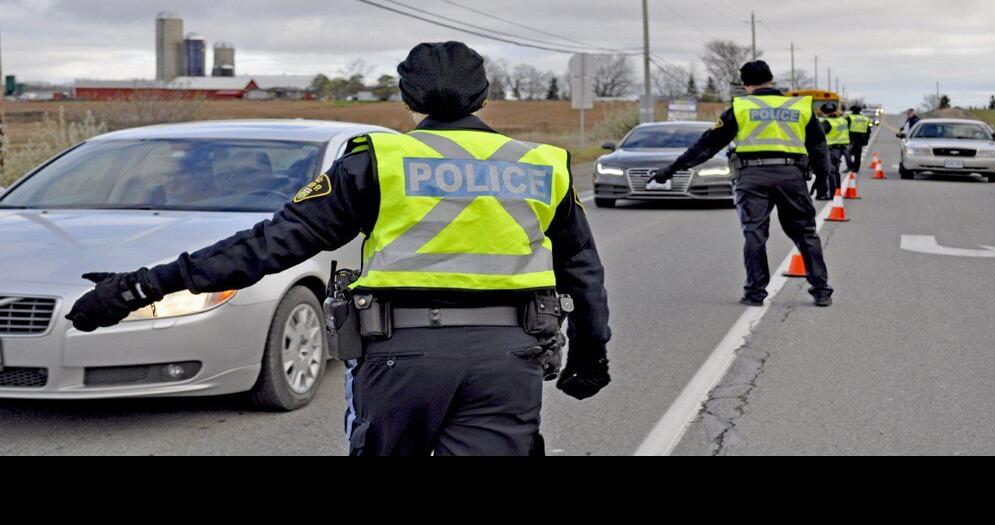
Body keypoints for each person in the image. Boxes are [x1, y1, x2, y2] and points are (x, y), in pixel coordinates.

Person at [65, 42, 612, 457]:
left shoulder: (380, 159)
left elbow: (269, 246)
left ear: (408, 98)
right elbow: (583, 271)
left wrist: (138, 287)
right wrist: (592, 354)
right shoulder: (541, 165)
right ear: (484, 96)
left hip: (402, 358)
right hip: (508, 360)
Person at [648, 60, 834, 308]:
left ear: (746, 84)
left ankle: (755, 293)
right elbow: (818, 145)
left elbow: (706, 145)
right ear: (771, 79)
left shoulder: (740, 107)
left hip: (752, 177)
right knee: (805, 233)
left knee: (755, 234)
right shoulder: (799, 106)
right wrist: (823, 178)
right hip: (791, 176)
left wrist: (670, 170)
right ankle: (821, 291)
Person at [818, 102, 850, 199]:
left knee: (831, 171)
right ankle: (837, 192)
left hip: (831, 149)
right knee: (835, 171)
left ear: (824, 112)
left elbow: (818, 135)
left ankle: (833, 194)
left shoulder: (827, 123)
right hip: (840, 148)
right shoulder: (842, 120)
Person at [846, 105, 872, 173]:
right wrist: (866, 139)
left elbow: (845, 128)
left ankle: (851, 166)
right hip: (861, 139)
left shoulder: (849, 117)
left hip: (851, 138)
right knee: (857, 155)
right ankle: (856, 168)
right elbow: (868, 131)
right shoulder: (865, 118)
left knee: (848, 154)